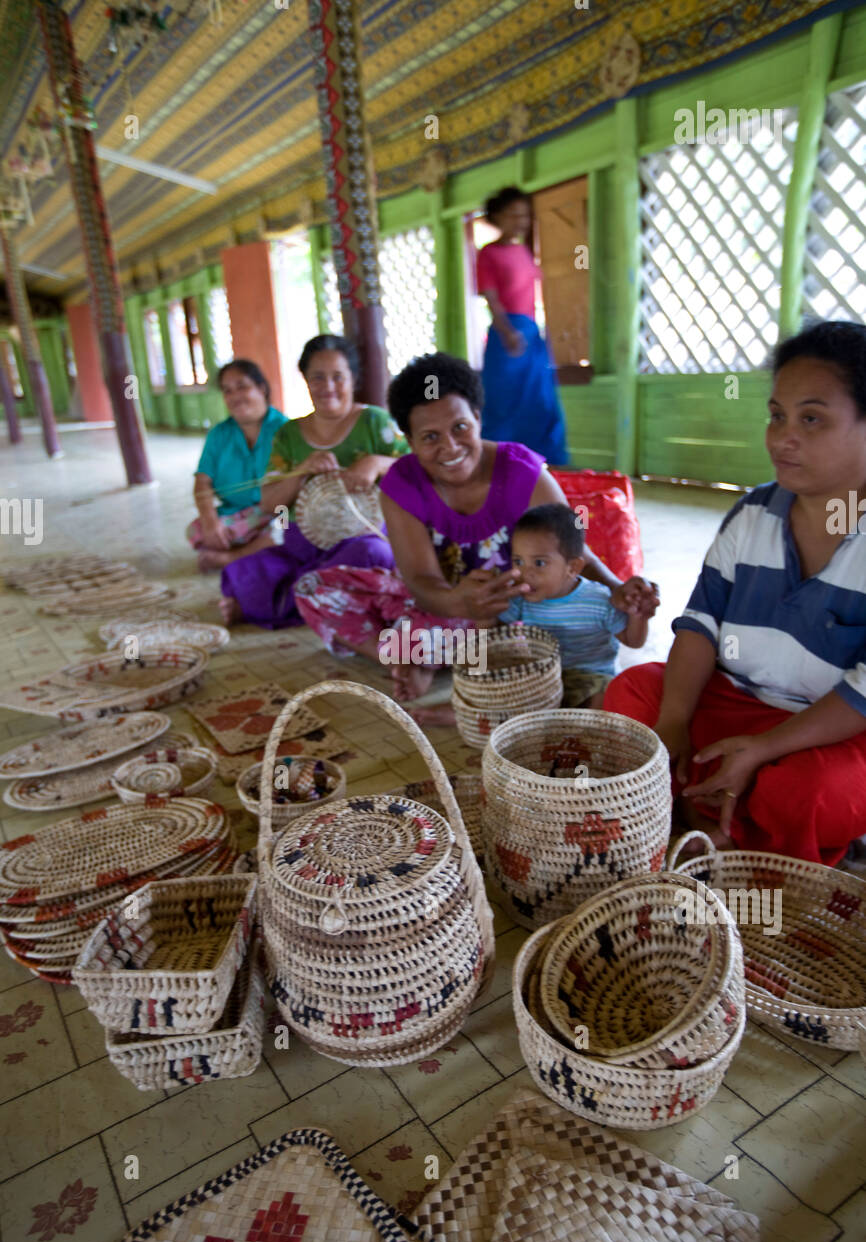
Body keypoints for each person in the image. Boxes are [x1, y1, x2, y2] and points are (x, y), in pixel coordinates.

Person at [604, 319, 866, 866]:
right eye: (776, 415)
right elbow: (701, 624)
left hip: (829, 732)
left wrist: (767, 748)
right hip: (736, 702)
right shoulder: (752, 513)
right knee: (634, 694)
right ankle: (722, 820)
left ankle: (719, 822)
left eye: (811, 419)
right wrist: (674, 720)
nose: (781, 436)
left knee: (806, 793)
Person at [295, 353, 659, 707]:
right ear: (409, 440)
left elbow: (576, 556)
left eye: (460, 428)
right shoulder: (402, 484)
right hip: (442, 608)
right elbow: (422, 582)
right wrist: (458, 602)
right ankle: (406, 658)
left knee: (516, 632)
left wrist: (622, 592)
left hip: (512, 617)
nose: (450, 447)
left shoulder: (523, 473)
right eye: (430, 437)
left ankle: (425, 657)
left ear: (478, 418)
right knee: (312, 589)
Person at [218, 334, 406, 628]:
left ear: (353, 379)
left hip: (361, 538)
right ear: (305, 379)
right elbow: (270, 504)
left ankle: (281, 602)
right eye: (317, 377)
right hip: (302, 545)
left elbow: (417, 471)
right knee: (252, 567)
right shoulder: (288, 435)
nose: (328, 387)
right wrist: (304, 470)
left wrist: (376, 463)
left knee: (374, 554)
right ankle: (318, 595)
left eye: (337, 377)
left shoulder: (375, 423)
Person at [498, 503, 650, 707]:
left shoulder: (599, 600)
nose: (527, 573)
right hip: (542, 678)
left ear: (573, 567)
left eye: (539, 563)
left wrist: (638, 616)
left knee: (606, 696)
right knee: (503, 686)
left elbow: (633, 641)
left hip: (592, 677)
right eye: (518, 561)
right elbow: (494, 639)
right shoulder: (519, 599)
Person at [476, 186, 568, 466]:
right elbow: (491, 299)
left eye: (525, 216)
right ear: (497, 217)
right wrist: (507, 333)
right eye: (513, 215)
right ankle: (498, 463)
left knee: (542, 400)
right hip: (507, 337)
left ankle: (543, 465)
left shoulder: (524, 252)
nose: (520, 222)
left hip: (531, 333)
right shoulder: (488, 254)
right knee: (503, 403)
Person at [187, 360, 287, 572]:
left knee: (287, 529)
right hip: (239, 515)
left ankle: (230, 558)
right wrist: (210, 521)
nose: (235, 396)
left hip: (279, 511)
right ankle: (255, 550)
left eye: (242, 386)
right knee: (196, 531)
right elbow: (202, 481)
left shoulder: (286, 430)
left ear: (261, 388)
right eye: (227, 390)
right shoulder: (219, 435)